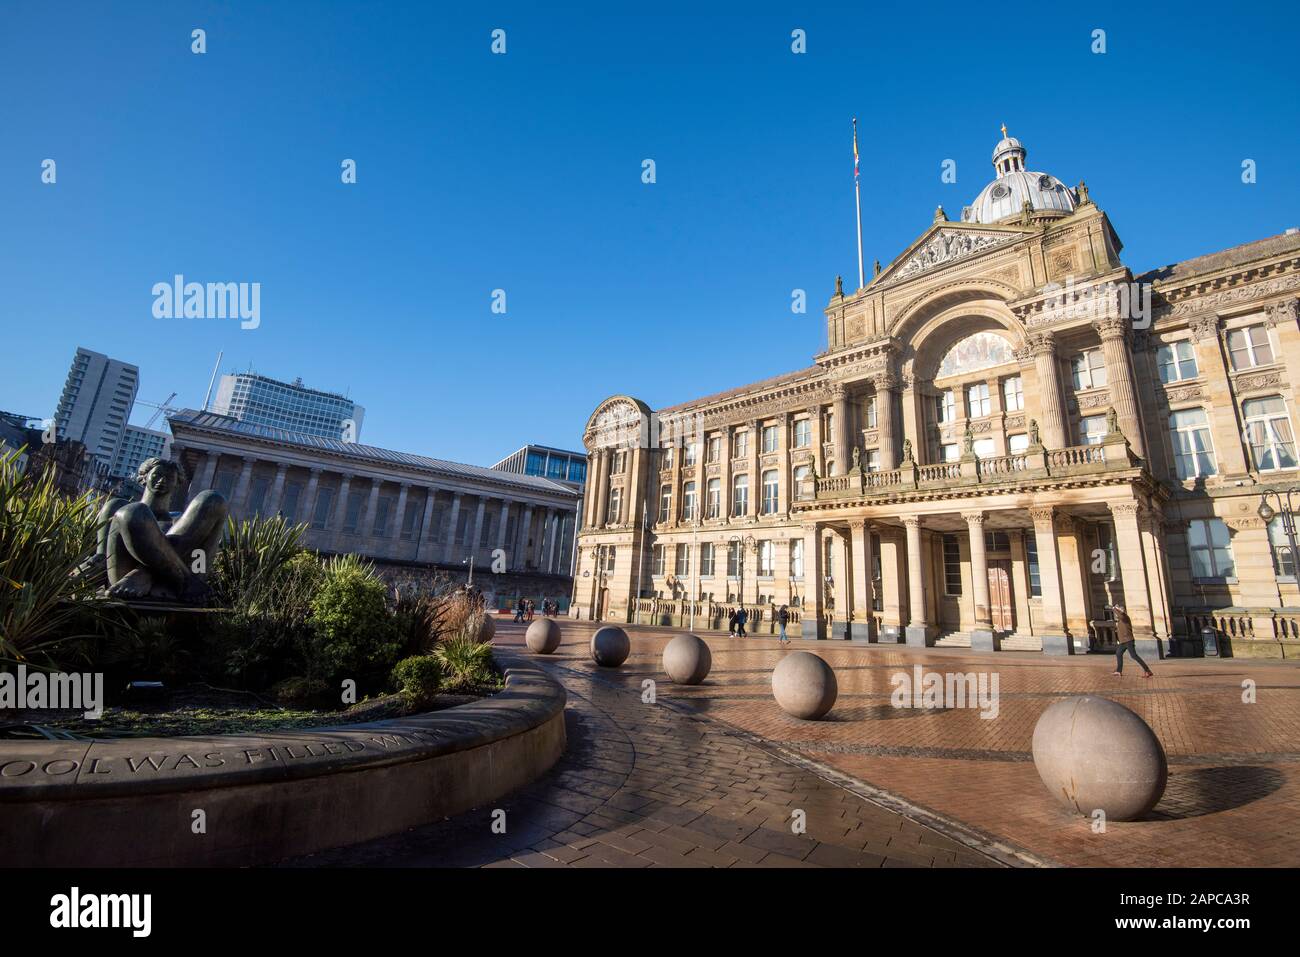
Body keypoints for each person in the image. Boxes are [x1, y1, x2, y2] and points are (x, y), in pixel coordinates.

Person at [1111, 603, 1153, 678]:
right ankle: (1118, 671)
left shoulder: (1125, 617)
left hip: (1128, 640)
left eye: (1119, 611)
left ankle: (1147, 670)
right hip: (1123, 642)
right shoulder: (1121, 619)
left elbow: (1121, 615)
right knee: (1118, 653)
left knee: (1134, 656)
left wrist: (1114, 609)